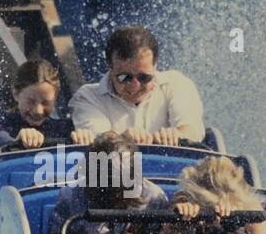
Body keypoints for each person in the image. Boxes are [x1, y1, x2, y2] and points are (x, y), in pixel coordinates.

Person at [69, 26, 206, 148]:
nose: (135, 86)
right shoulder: (87, 97)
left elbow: (193, 131)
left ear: (155, 66)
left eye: (144, 78)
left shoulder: (177, 84)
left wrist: (175, 135)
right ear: (110, 68)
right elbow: (99, 142)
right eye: (124, 77)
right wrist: (123, 139)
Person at [50, 132, 169, 234]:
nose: (114, 197)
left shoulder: (154, 198)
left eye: (119, 190)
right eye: (107, 190)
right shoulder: (70, 196)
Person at [159, 156, 266, 234]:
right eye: (211, 210)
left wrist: (236, 232)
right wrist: (178, 226)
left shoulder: (252, 211)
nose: (216, 220)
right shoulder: (182, 202)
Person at [0, 59, 94, 152]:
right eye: (31, 101)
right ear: (16, 94)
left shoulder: (64, 129)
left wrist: (84, 137)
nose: (38, 110)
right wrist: (14, 143)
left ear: (55, 99)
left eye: (45, 102)